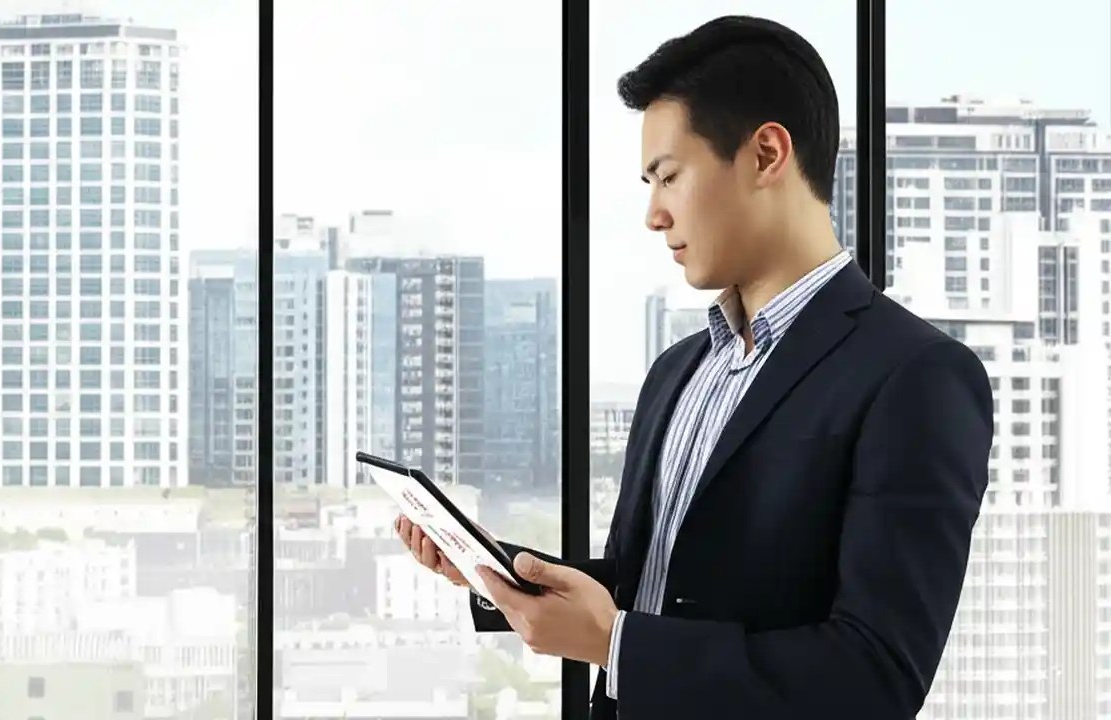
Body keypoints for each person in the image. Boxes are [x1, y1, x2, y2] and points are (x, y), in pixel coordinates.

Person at [395, 14, 992, 719]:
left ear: (766, 154)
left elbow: (875, 676)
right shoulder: (677, 372)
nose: (653, 214)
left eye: (669, 177)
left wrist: (615, 643)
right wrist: (501, 570)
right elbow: (660, 587)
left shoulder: (915, 376)